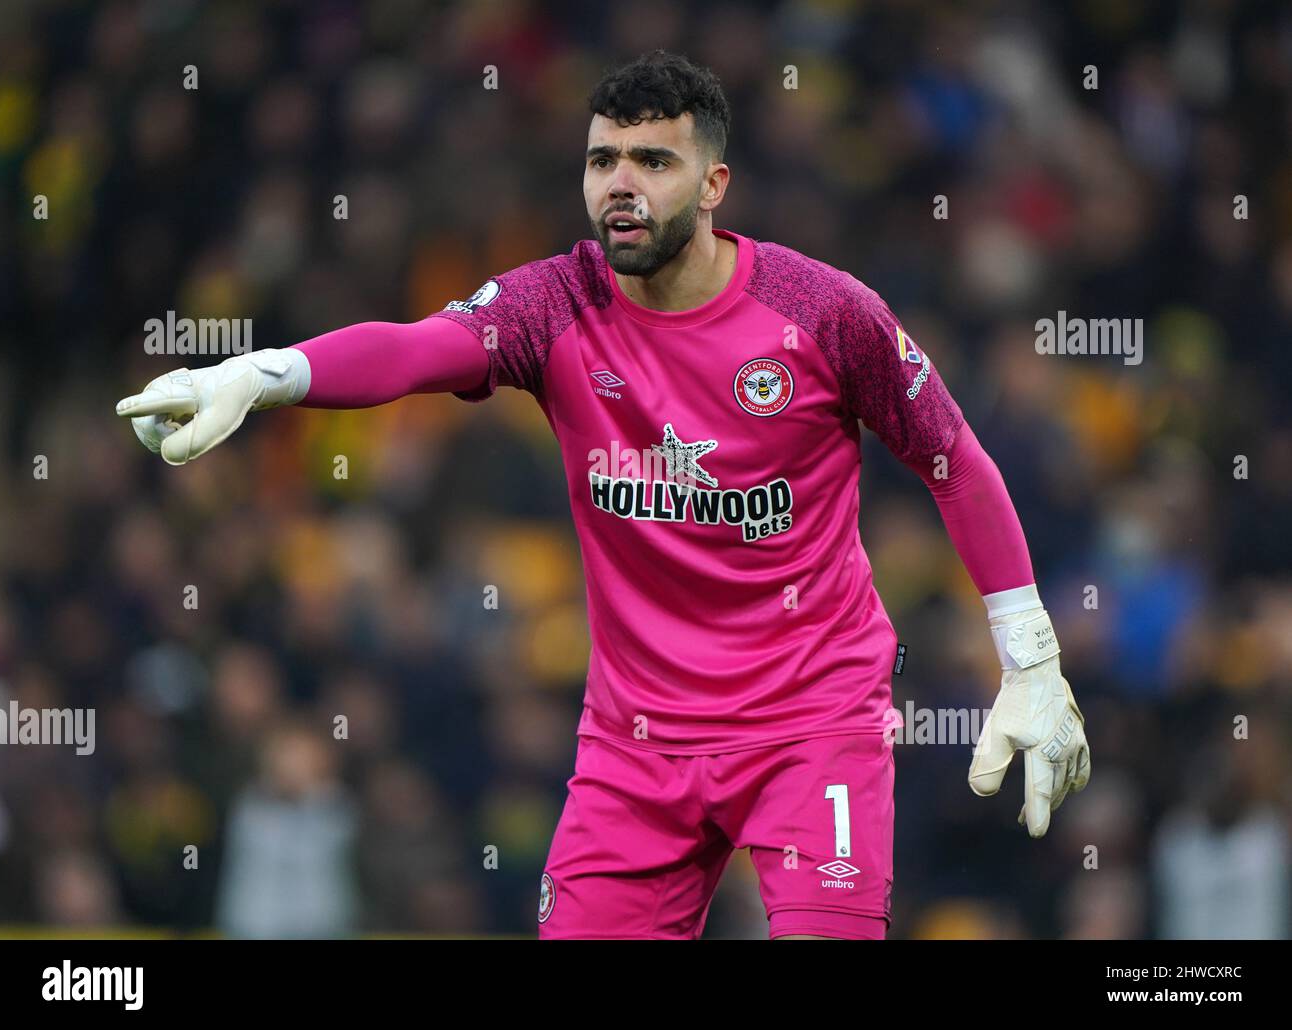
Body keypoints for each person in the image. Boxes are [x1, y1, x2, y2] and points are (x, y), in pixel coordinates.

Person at [116, 49, 1090, 940]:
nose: (619, 184)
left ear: (713, 184)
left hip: (811, 719)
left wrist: (1030, 658)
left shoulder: (823, 313)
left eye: (652, 162)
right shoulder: (555, 304)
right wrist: (268, 372)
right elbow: (417, 348)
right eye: (601, 160)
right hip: (637, 741)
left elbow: (951, 456)